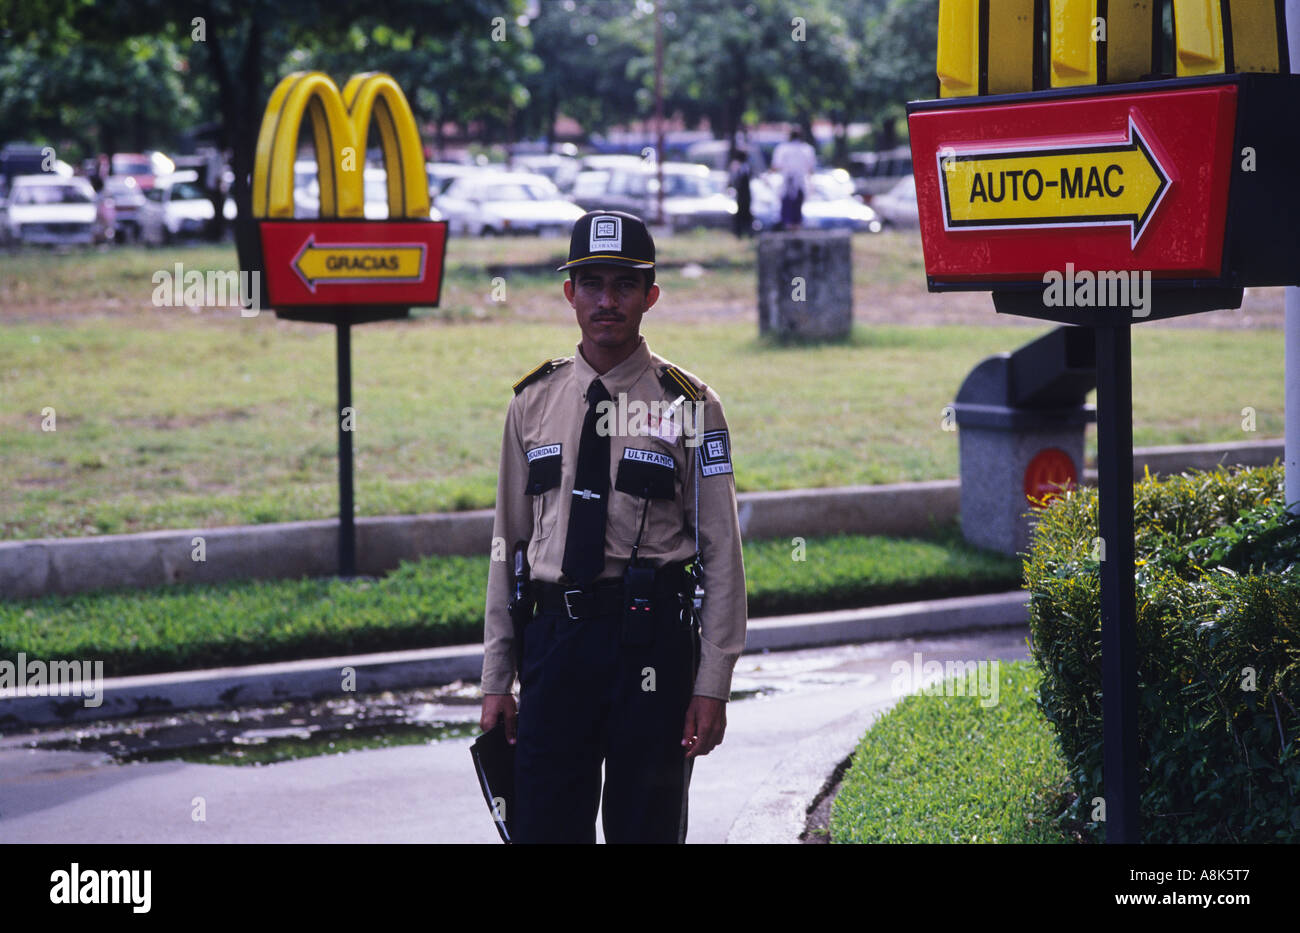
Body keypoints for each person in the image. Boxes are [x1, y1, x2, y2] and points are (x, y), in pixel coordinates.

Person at [479, 210, 747, 844]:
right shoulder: (532, 402)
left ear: (650, 294)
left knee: (646, 831)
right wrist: (496, 679)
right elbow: (505, 548)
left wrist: (713, 685)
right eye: (591, 283)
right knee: (545, 829)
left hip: (649, 651)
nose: (607, 300)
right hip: (555, 649)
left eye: (624, 284)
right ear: (569, 292)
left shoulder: (690, 405)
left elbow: (721, 553)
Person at [770, 127, 816, 230]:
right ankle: (795, 228)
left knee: (787, 208)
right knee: (796, 209)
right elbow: (811, 169)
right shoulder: (807, 149)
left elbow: (775, 166)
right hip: (799, 182)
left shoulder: (782, 148)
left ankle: (788, 228)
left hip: (788, 181)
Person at [728, 144, 753, 238]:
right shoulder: (736, 166)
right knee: (740, 214)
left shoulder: (746, 166)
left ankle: (748, 232)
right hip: (740, 195)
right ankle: (738, 233)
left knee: (747, 213)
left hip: (746, 195)